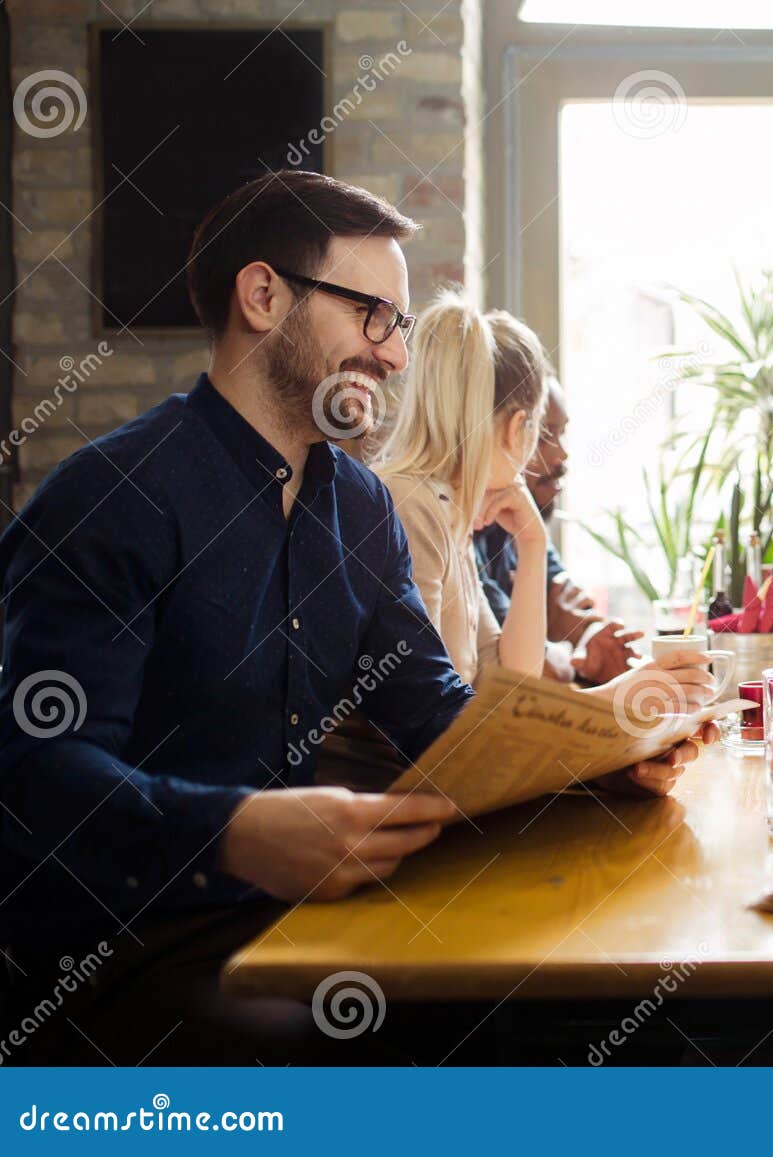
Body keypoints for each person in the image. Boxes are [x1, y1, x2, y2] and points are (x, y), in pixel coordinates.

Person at [0, 171, 708, 1064]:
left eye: (399, 325)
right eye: (374, 316)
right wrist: (236, 832)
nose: (397, 356)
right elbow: (35, 774)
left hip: (311, 923)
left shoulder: (362, 507)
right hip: (132, 953)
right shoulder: (114, 496)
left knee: (580, 1002)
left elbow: (441, 723)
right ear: (262, 296)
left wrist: (611, 753)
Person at [369, 290, 709, 798]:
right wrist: (615, 702)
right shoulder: (408, 505)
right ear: (518, 428)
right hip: (404, 816)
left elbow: (511, 686)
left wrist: (532, 543)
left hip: (453, 805)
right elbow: (435, 727)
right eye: (539, 429)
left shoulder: (446, 511)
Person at [474, 378, 640, 684]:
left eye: (561, 432)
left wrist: (588, 636)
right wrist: (568, 648)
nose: (561, 454)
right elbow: (526, 675)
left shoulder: (524, 522)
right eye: (542, 435)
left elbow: (570, 614)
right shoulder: (465, 534)